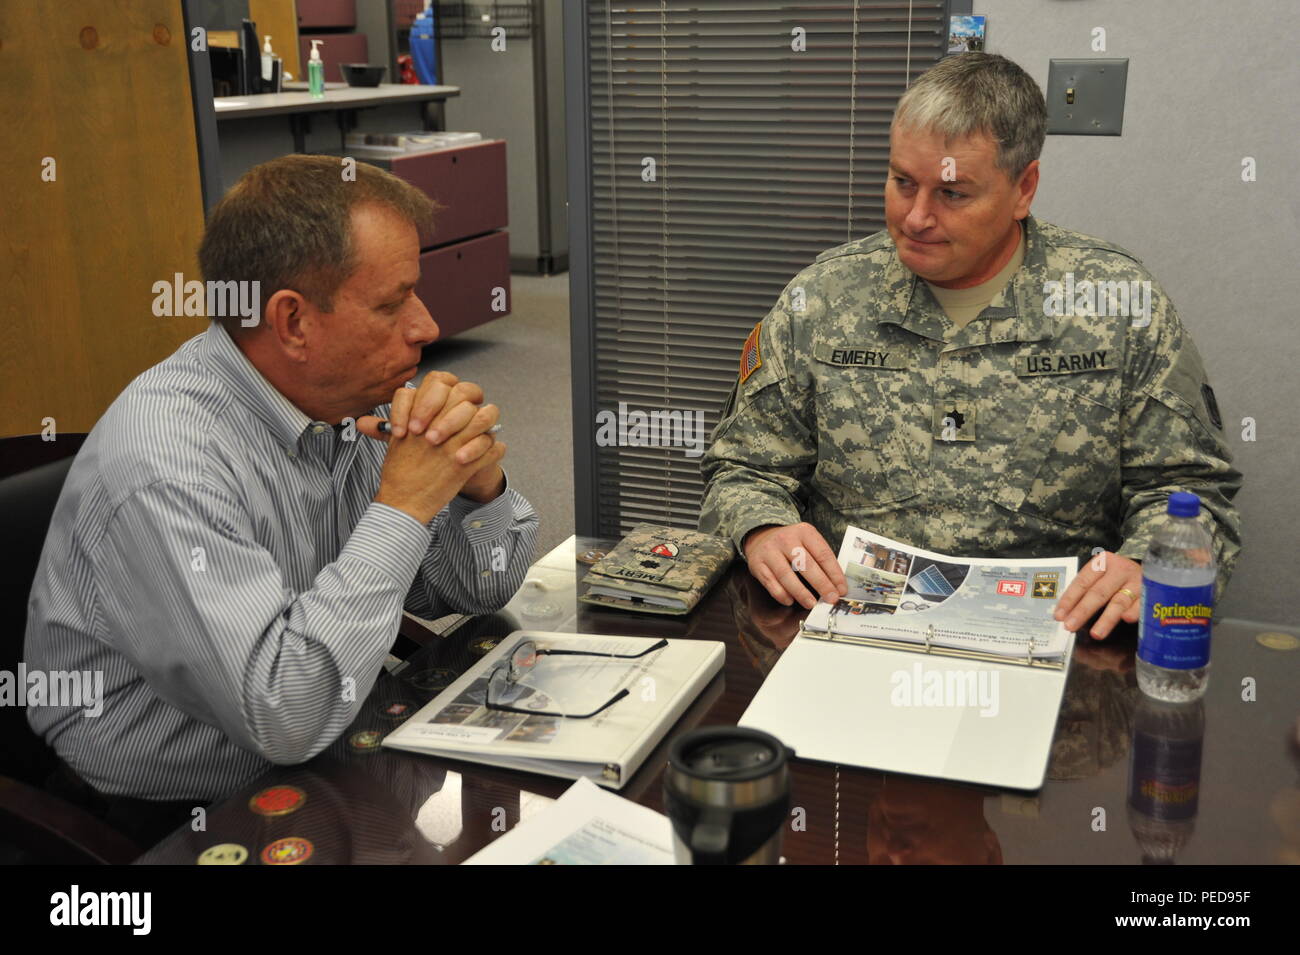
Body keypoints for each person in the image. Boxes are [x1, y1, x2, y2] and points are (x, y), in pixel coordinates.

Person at [24, 155, 539, 837]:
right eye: (391, 303)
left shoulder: (341, 397)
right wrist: (404, 507)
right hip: (180, 815)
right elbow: (285, 712)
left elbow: (481, 587)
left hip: (334, 745)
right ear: (293, 322)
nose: (426, 326)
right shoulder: (164, 461)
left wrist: (477, 488)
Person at [699, 53, 1241, 642]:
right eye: (902, 182)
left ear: (1023, 188)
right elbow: (744, 468)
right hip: (851, 628)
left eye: (953, 194)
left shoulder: (1114, 302)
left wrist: (1145, 567)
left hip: (1059, 640)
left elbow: (1191, 493)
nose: (916, 216)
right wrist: (762, 529)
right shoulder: (823, 299)